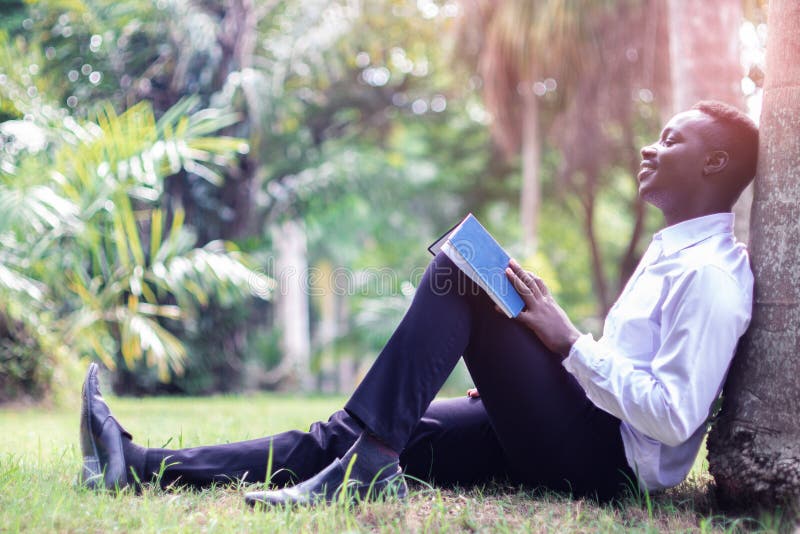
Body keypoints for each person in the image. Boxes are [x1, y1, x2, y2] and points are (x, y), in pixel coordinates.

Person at [79, 100, 758, 507]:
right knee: (349, 435)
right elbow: (632, 372)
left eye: (673, 140)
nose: (650, 145)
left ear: (715, 165)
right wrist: (520, 381)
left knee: (461, 271)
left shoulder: (713, 278)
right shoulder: (675, 253)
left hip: (603, 462)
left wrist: (567, 344)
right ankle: (138, 469)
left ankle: (371, 460)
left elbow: (671, 418)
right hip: (572, 423)